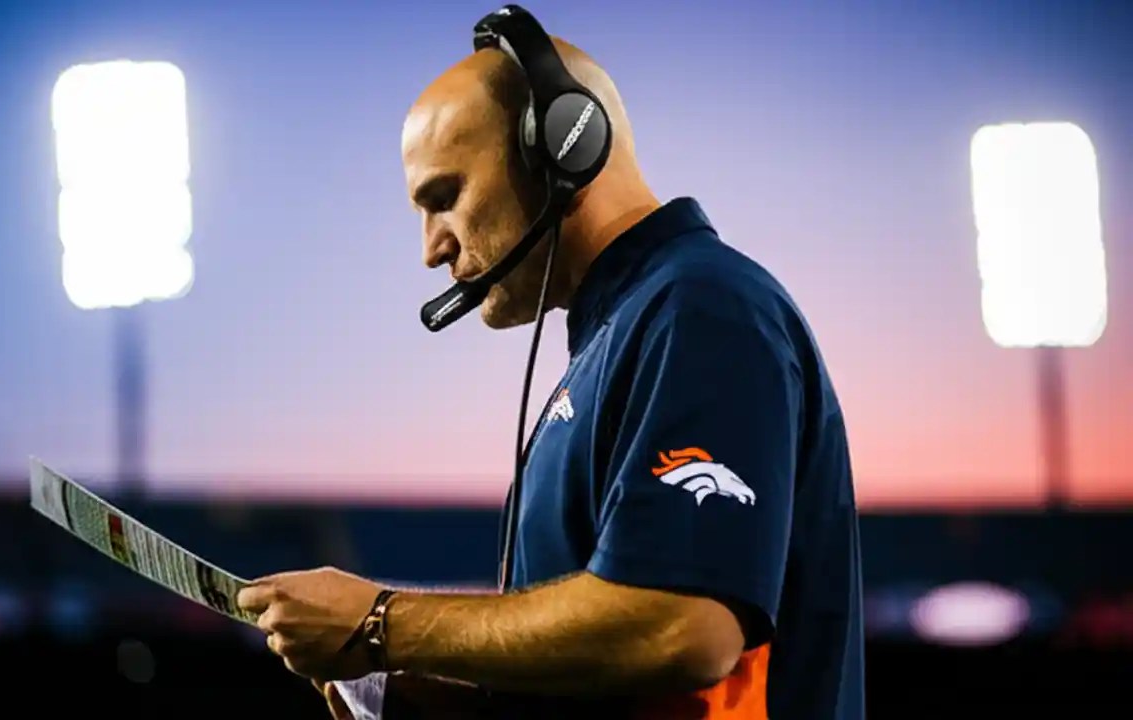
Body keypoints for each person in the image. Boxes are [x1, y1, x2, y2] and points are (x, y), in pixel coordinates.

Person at [237, 25, 864, 720]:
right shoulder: (628, 329)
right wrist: (420, 696)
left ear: (563, 148)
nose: (431, 248)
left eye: (444, 196)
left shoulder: (702, 309)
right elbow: (620, 671)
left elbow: (685, 627)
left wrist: (383, 622)